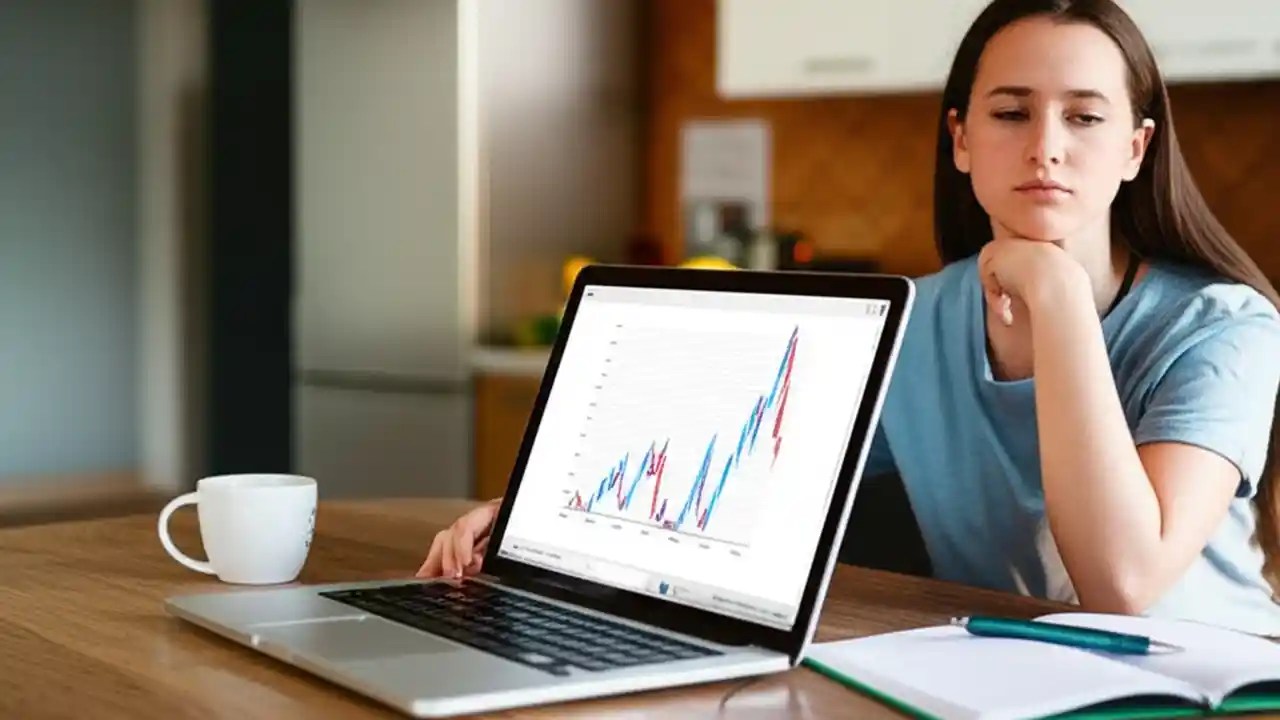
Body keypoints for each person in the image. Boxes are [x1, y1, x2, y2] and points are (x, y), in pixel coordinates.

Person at [418, 0, 1280, 635]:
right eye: (1011, 112)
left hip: (1214, 690)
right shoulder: (911, 319)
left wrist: (1054, 299)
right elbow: (729, 476)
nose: (1046, 145)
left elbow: (1122, 584)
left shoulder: (1223, 328)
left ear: (1135, 147)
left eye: (1084, 117)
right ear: (961, 140)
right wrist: (527, 518)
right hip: (1013, 681)